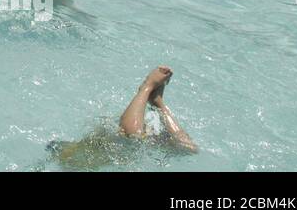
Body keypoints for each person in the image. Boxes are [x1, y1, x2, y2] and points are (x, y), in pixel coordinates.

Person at [49, 66, 197, 167]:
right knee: (131, 139)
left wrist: (158, 103)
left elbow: (189, 148)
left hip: (107, 148)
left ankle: (154, 99)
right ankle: (148, 91)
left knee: (184, 148)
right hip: (90, 154)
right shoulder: (74, 158)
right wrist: (148, 87)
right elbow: (131, 135)